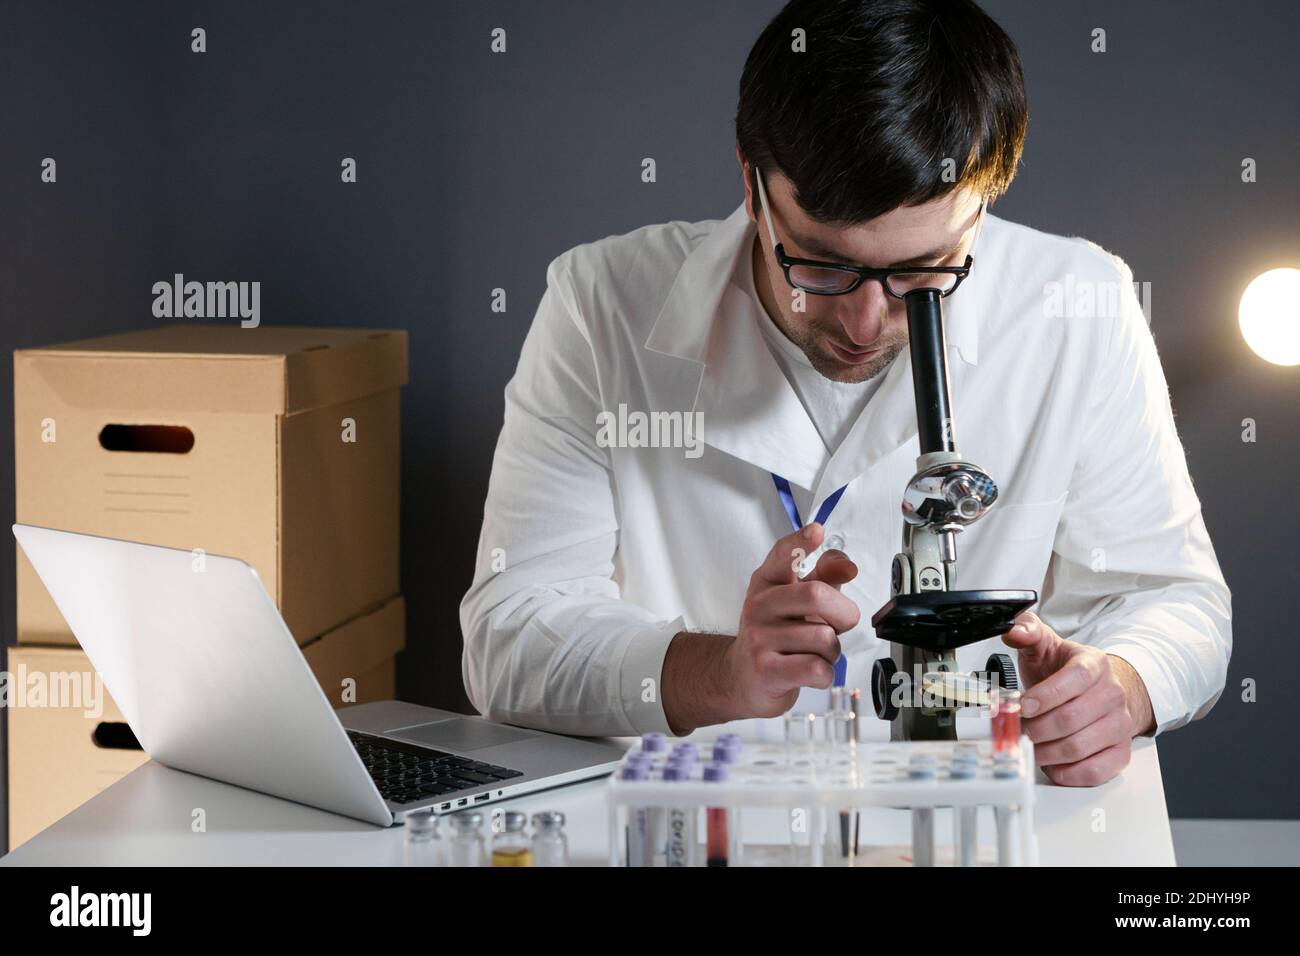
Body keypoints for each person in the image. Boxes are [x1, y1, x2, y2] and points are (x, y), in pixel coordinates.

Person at [460, 0, 1231, 786]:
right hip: (698, 814)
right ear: (752, 184)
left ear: (983, 203)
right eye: (822, 264)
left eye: (922, 271)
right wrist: (720, 672)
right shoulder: (602, 303)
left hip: (974, 805)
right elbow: (507, 643)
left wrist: (1122, 687)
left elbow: (1177, 600)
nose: (864, 320)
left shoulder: (1079, 304)